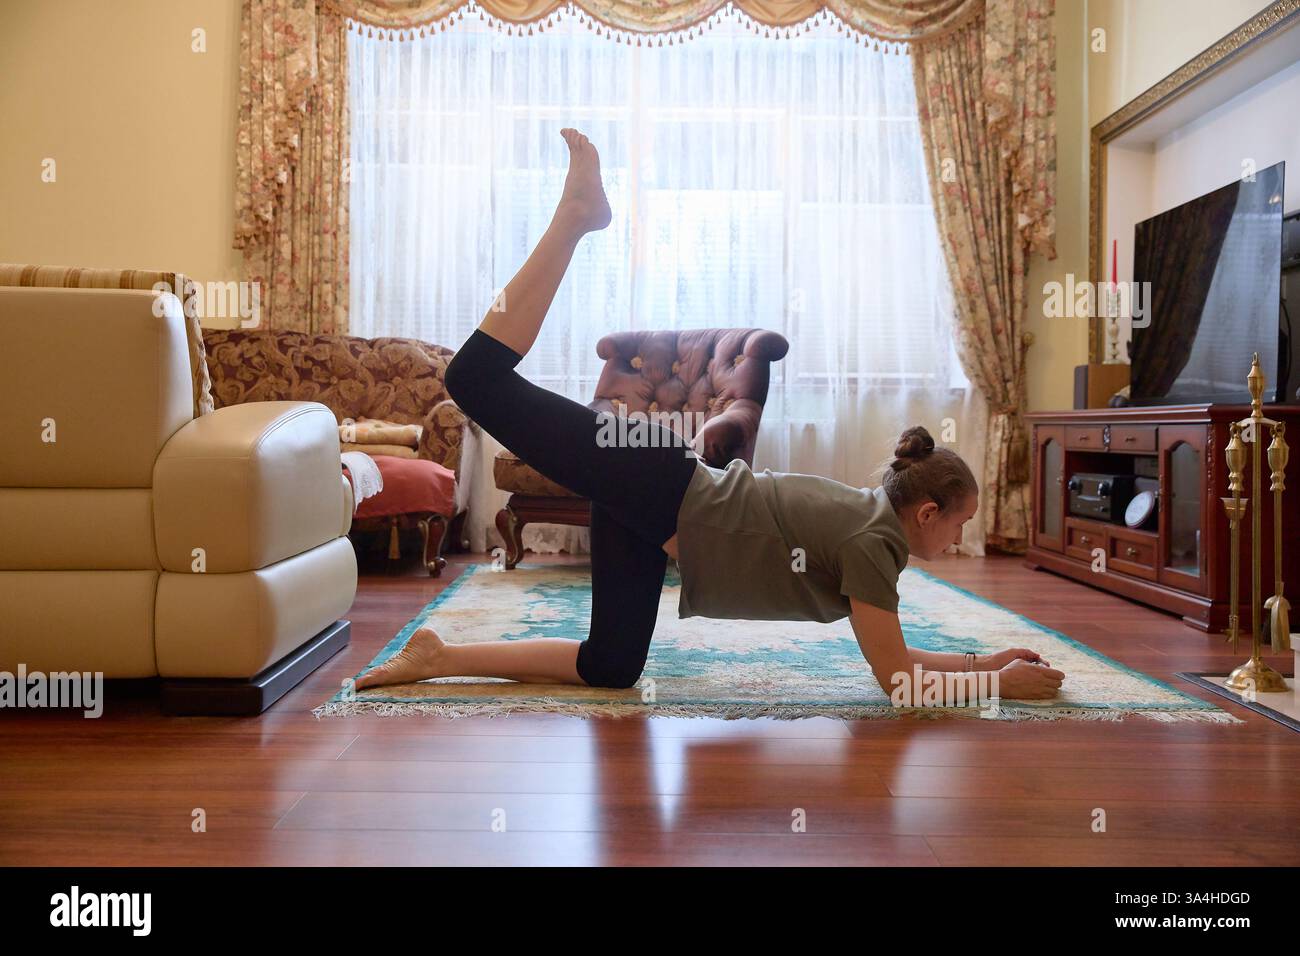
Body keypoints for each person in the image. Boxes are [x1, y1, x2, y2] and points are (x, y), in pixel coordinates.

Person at [356, 128, 1065, 704]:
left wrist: (985, 657)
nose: (963, 534)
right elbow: (898, 682)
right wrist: (995, 684)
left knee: (611, 665)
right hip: (662, 485)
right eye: (963, 521)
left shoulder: (874, 533)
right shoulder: (874, 543)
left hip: (659, 504)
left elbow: (900, 654)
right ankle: (574, 221)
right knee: (474, 378)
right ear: (929, 512)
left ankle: (438, 654)